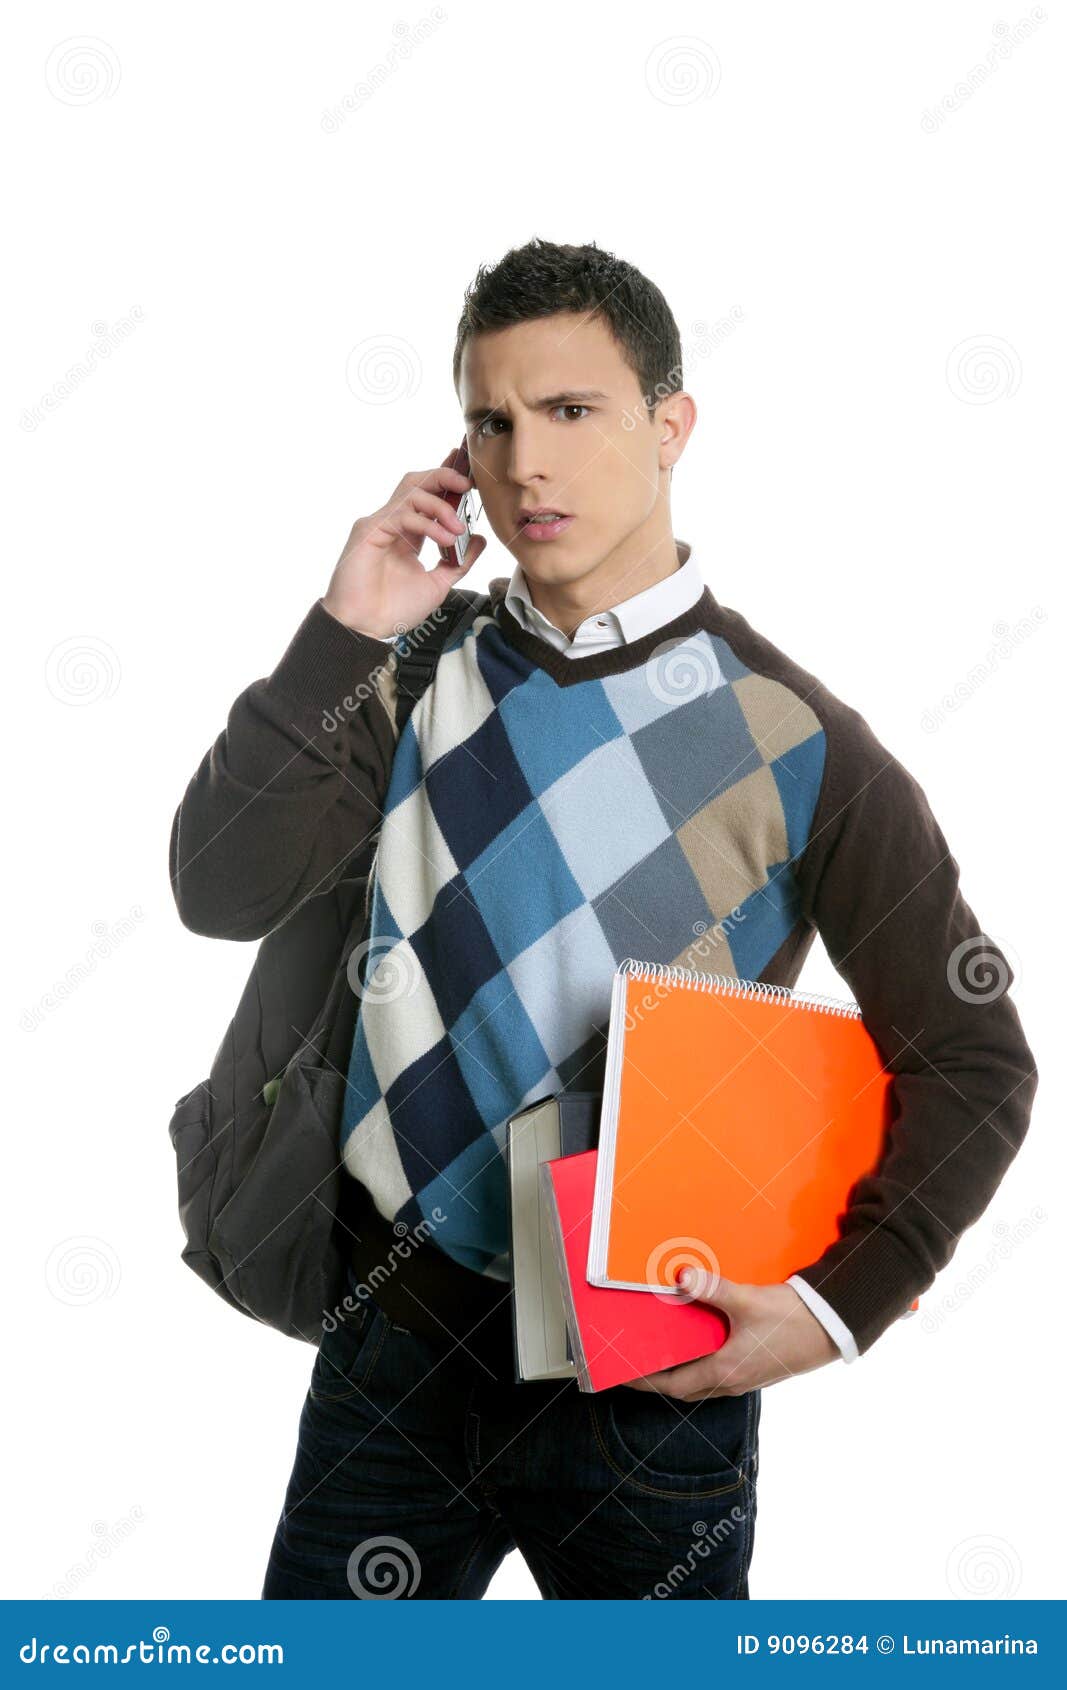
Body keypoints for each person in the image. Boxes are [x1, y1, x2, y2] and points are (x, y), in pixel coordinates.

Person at [170, 238, 1038, 1600]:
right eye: (492, 421)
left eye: (572, 411)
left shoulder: (801, 741)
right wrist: (345, 625)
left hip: (651, 1386)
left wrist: (835, 1307)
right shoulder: (408, 667)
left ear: (670, 426)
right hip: (389, 1351)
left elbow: (974, 1058)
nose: (527, 464)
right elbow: (218, 888)